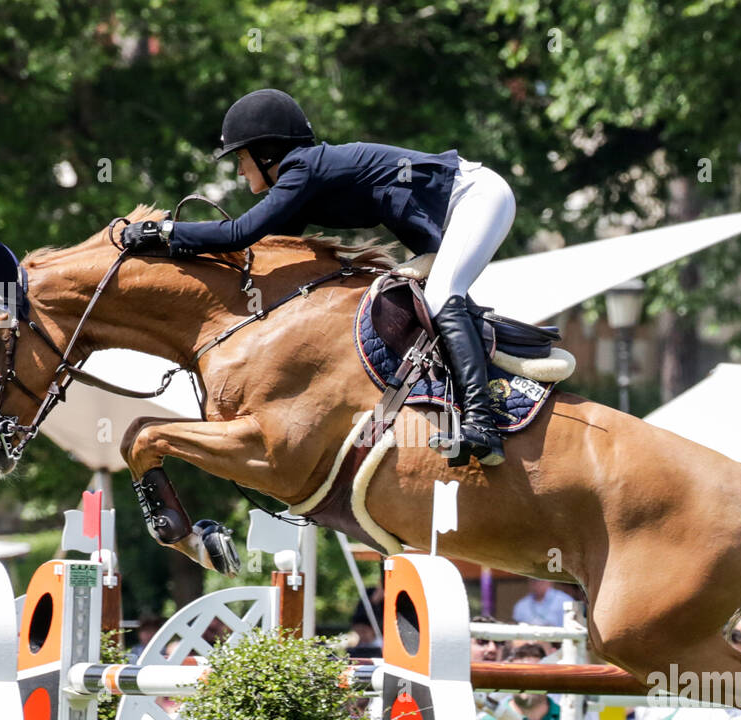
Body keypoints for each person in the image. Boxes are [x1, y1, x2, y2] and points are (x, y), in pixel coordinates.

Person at [121, 88, 515, 466]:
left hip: (475, 198)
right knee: (432, 298)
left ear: (267, 152)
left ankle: (481, 424)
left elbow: (238, 233)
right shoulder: (304, 177)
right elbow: (262, 251)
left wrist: (167, 232)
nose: (240, 171)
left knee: (444, 293)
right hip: (455, 211)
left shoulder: (302, 169)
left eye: (241, 158)